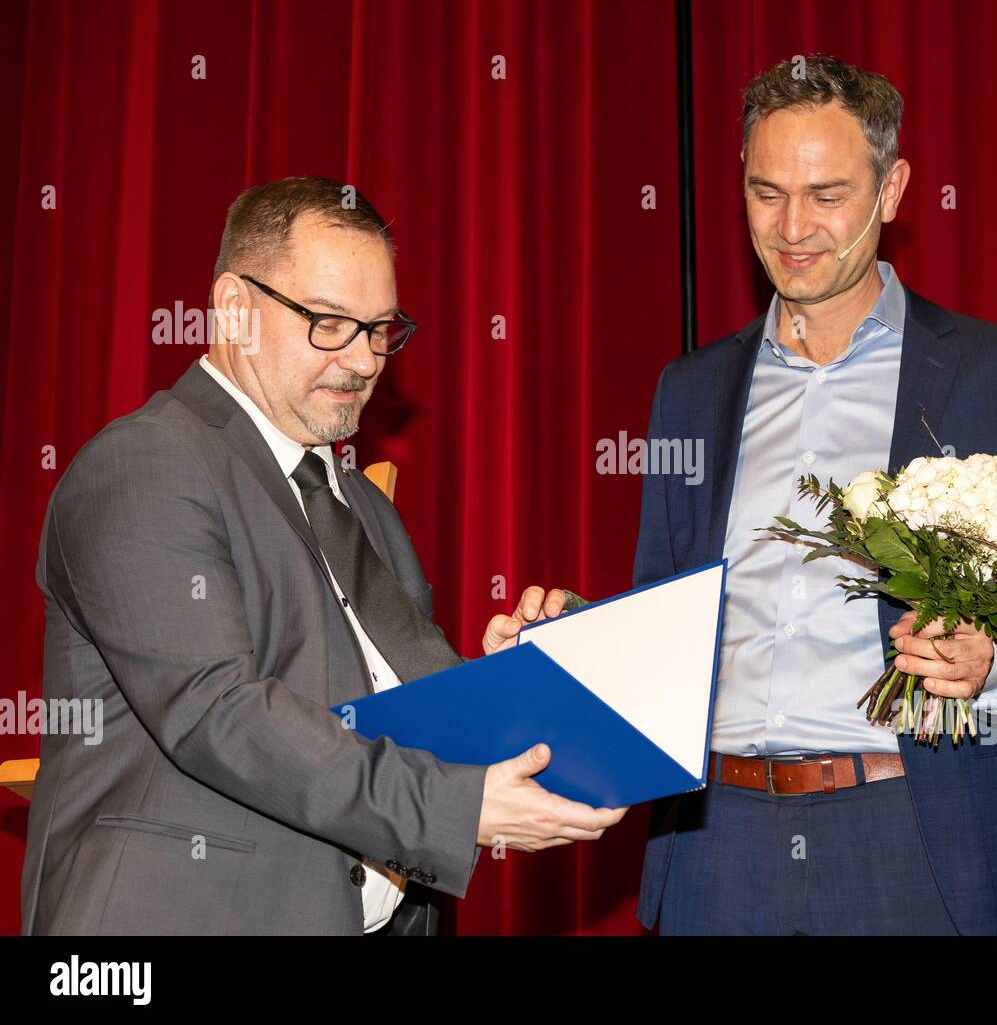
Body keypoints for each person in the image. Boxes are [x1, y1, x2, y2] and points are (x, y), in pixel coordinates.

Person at [22, 176, 627, 935]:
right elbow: (218, 712)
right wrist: (453, 809)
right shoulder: (145, 464)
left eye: (381, 330)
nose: (367, 360)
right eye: (331, 323)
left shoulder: (362, 505)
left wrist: (526, 676)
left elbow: (407, 715)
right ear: (236, 311)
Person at [632, 55, 997, 935]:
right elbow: (660, 607)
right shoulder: (688, 390)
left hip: (909, 839)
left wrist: (988, 664)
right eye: (767, 193)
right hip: (713, 844)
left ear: (893, 188)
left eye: (828, 194)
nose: (793, 227)